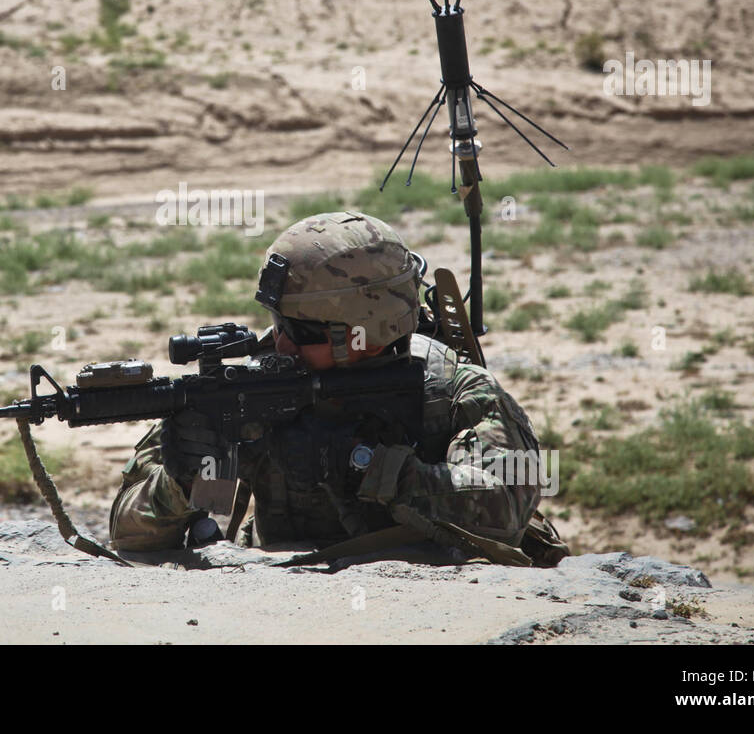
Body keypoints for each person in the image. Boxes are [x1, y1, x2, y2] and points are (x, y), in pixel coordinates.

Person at [108, 211, 566, 566]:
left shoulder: (454, 391)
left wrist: (363, 464)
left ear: (366, 333)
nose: (280, 343)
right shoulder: (252, 390)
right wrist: (183, 482)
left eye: (301, 331)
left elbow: (506, 511)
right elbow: (128, 533)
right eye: (277, 323)